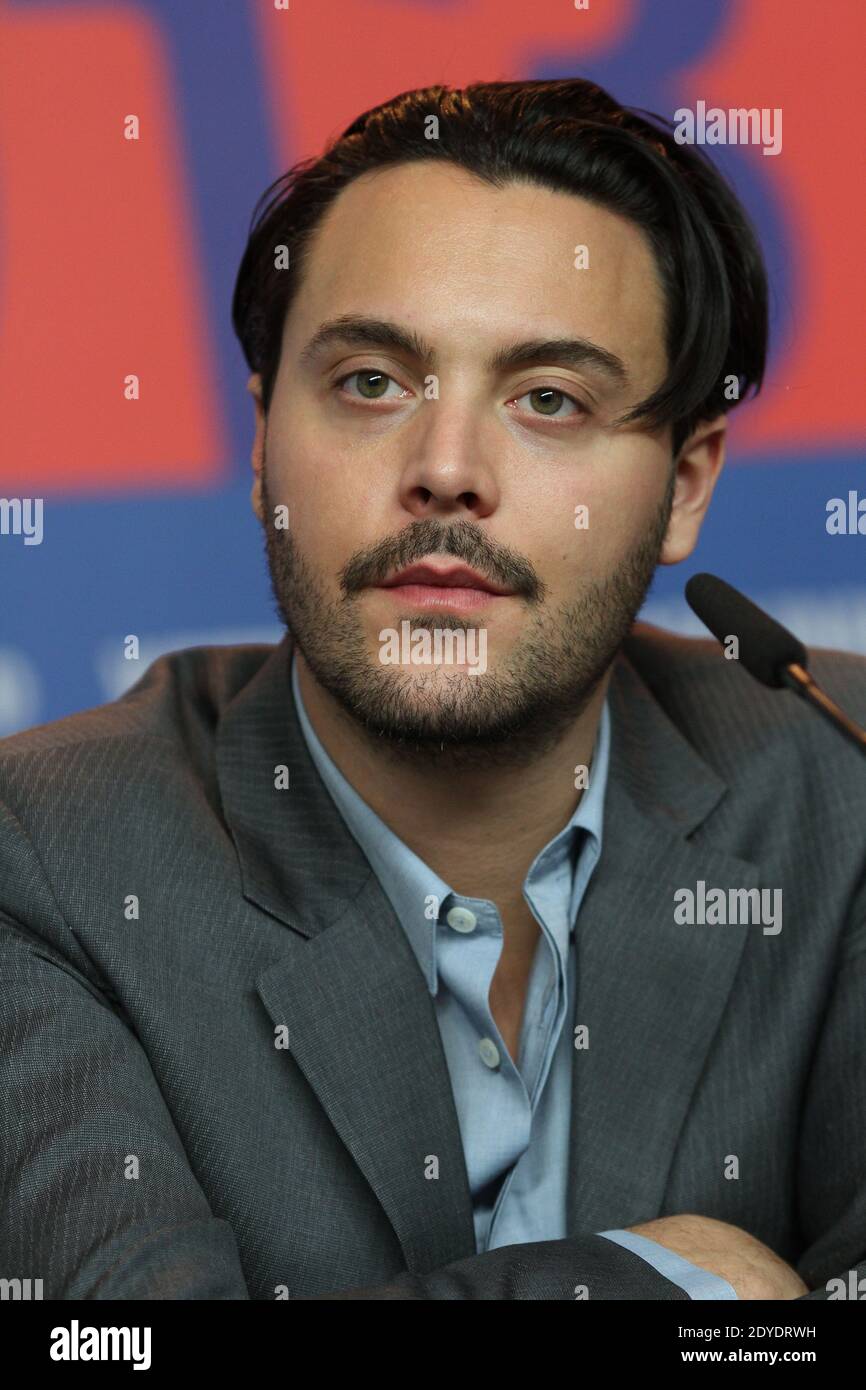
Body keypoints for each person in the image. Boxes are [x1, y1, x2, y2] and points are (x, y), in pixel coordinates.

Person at [1, 77, 863, 1300]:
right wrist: (669, 1286)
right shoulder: (42, 864)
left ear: (683, 484)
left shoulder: (842, 786)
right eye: (371, 383)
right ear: (260, 447)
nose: (445, 470)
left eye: (548, 400)